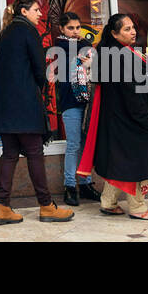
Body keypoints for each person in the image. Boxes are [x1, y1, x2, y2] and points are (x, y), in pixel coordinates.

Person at [0, 0, 74, 225]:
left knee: (9, 154)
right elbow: (40, 70)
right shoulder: (29, 32)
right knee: (35, 153)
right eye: (36, 10)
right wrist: (40, 88)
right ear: (24, 11)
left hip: (4, 105)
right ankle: (46, 206)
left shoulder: (5, 34)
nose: (40, 14)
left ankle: (2, 207)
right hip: (24, 104)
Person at [77, 13, 148, 220]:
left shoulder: (112, 52)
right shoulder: (120, 56)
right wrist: (145, 119)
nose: (133, 31)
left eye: (133, 27)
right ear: (114, 33)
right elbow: (131, 92)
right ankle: (138, 208)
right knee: (135, 161)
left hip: (115, 118)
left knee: (121, 160)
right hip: (128, 118)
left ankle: (108, 202)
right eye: (127, 29)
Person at [53, 11, 100, 206]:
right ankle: (70, 186)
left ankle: (86, 183)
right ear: (62, 29)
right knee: (73, 144)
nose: (75, 31)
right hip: (70, 102)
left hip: (87, 101)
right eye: (70, 28)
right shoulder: (59, 47)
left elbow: (93, 61)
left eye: (78, 28)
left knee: (86, 143)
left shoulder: (82, 45)